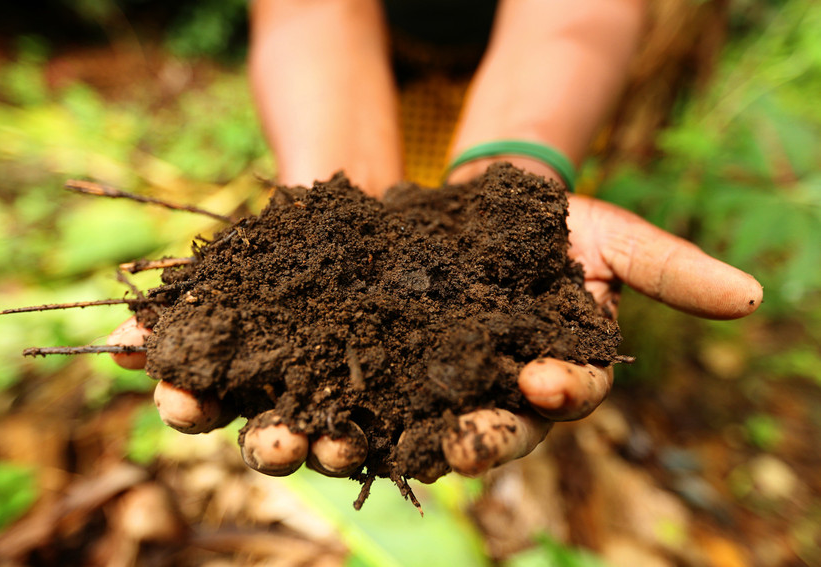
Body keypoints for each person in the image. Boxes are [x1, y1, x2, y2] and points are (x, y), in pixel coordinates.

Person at [109, 0, 763, 481]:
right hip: (368, 78)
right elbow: (310, 11)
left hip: (557, 78)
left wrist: (518, 165)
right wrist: (326, 186)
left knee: (533, 363)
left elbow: (578, 16)